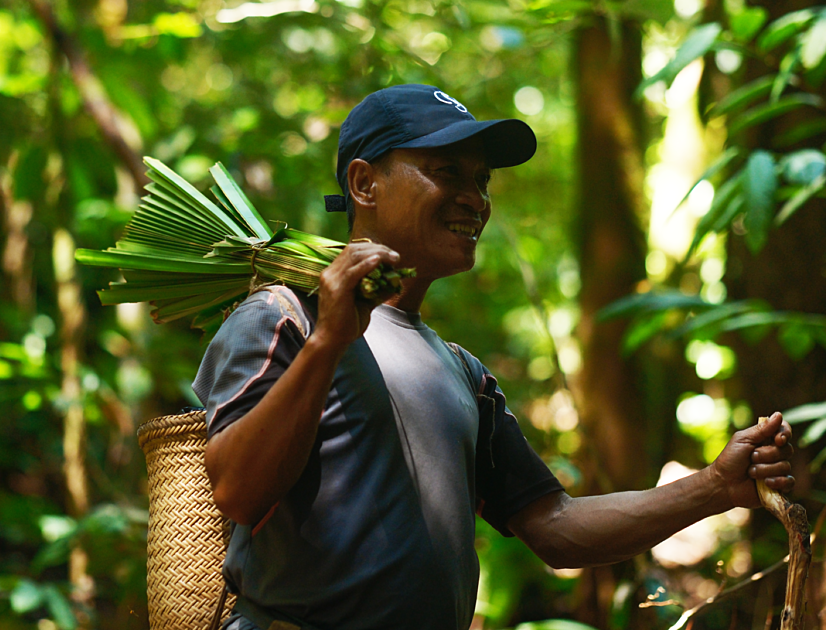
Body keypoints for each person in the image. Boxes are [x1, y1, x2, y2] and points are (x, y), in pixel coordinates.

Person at [191, 84, 795, 630]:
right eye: (446, 171)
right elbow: (240, 493)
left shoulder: (462, 371)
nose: (473, 199)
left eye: (481, 180)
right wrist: (328, 345)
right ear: (363, 184)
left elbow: (554, 527)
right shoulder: (282, 318)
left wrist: (716, 486)